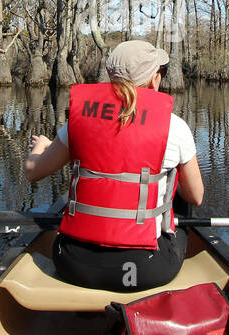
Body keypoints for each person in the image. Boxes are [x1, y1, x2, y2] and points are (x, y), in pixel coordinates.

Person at [25, 40, 205, 291]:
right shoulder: (175, 127)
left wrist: (41, 145)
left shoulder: (79, 120)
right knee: (182, 195)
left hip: (74, 263)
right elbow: (197, 197)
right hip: (143, 270)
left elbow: (32, 171)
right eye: (160, 73)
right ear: (154, 79)